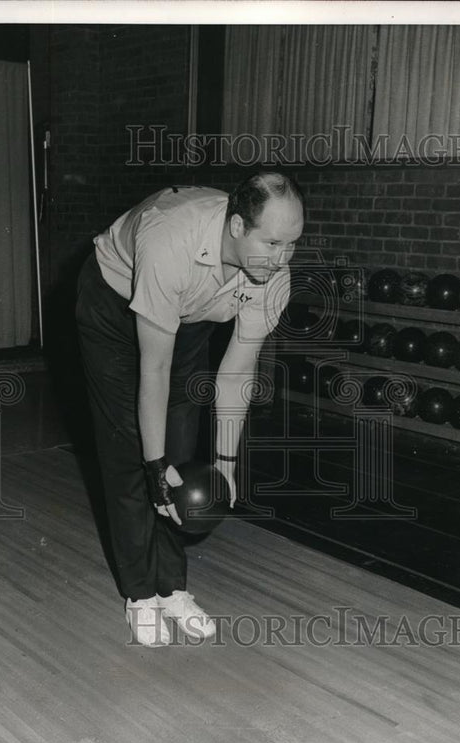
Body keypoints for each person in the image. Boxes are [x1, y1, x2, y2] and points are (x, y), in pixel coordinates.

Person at [75, 171, 305, 647]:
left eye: (292, 244)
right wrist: (153, 465)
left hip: (189, 310)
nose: (282, 259)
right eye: (272, 243)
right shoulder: (170, 239)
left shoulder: (273, 275)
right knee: (132, 448)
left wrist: (225, 464)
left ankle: (172, 588)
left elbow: (236, 374)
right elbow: (154, 369)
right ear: (237, 227)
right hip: (113, 304)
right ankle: (140, 594)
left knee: (181, 449)